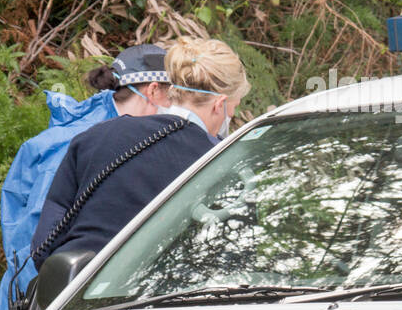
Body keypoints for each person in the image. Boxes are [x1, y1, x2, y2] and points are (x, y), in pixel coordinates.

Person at [0, 44, 172, 310]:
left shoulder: (109, 131)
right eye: (173, 96)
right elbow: (37, 240)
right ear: (154, 91)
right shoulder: (80, 143)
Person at [29, 37, 249, 271]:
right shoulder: (220, 163)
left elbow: (45, 239)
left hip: (71, 284)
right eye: (233, 109)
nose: (230, 118)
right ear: (219, 104)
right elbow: (231, 257)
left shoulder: (97, 135)